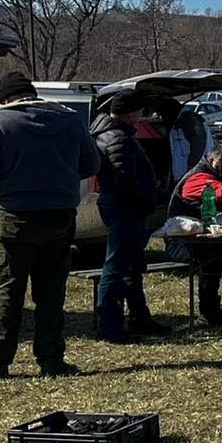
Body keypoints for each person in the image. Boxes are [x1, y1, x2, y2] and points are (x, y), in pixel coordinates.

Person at [0, 73, 101, 381]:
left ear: (5, 98)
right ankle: (51, 360)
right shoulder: (70, 122)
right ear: (33, 94)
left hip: (16, 218)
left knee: (8, 291)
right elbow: (91, 165)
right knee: (51, 292)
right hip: (60, 216)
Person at [92, 91, 168, 344]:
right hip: (125, 208)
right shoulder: (117, 139)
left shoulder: (114, 135)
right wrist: (146, 197)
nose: (141, 117)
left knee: (132, 266)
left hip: (124, 207)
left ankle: (139, 317)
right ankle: (109, 325)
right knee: (115, 267)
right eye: (139, 112)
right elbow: (125, 178)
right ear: (129, 113)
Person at [166, 146, 222, 326]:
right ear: (212, 161)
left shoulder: (213, 175)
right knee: (211, 258)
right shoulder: (198, 178)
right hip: (182, 242)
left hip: (209, 238)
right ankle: (209, 311)